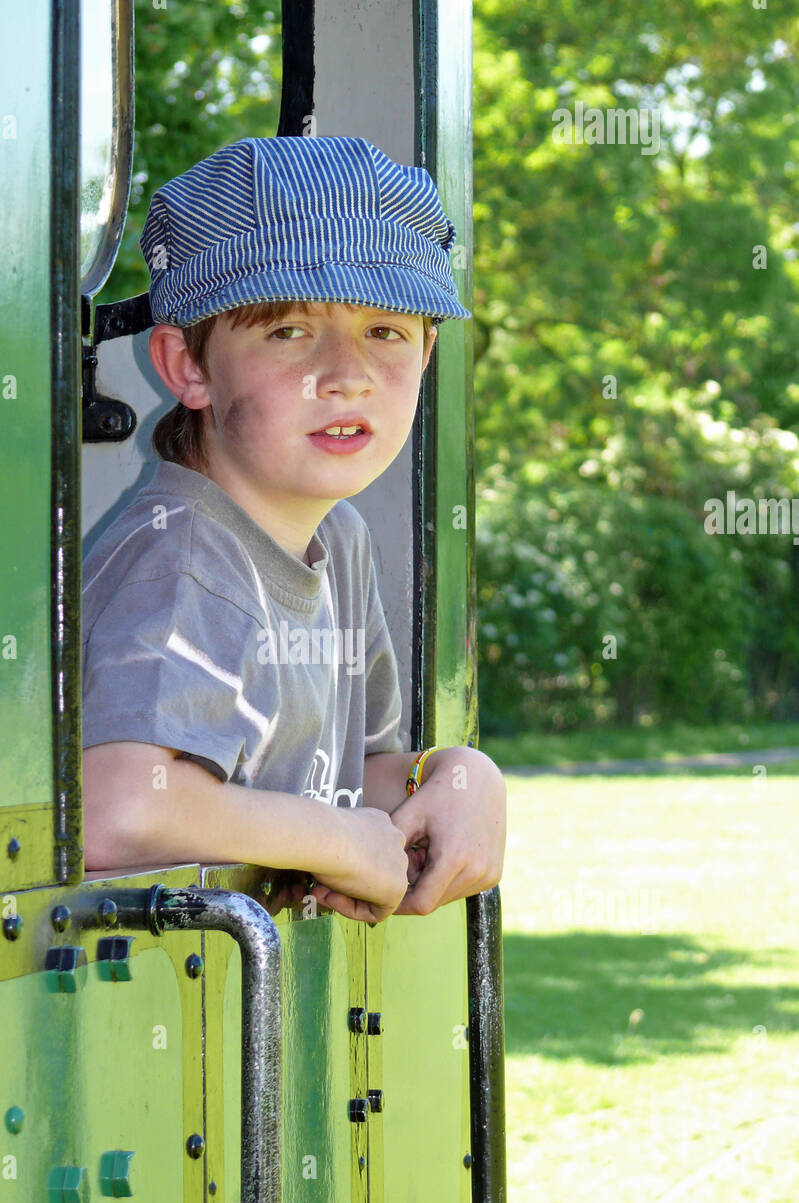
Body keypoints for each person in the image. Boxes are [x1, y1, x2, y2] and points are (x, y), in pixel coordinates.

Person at [82, 135, 505, 922]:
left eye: (386, 332)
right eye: (288, 331)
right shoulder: (184, 555)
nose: (346, 374)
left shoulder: (336, 541)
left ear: (427, 351)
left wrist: (456, 774)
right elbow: (117, 810)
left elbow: (361, 773)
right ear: (188, 367)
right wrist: (339, 842)